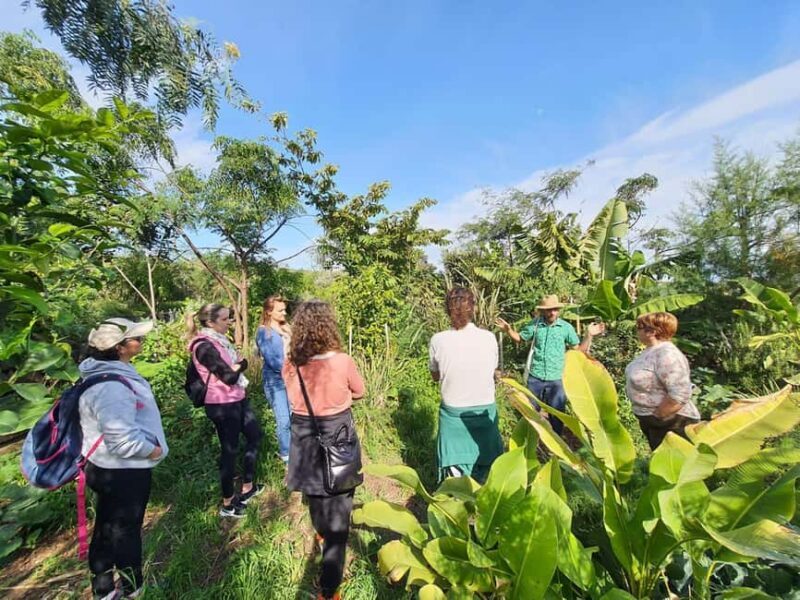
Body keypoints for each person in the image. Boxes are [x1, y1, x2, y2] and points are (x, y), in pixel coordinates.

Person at [79, 318, 168, 599]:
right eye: (136, 339)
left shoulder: (105, 373)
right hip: (123, 469)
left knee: (107, 523)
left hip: (106, 466)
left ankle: (103, 588)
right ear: (119, 348)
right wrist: (153, 450)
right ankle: (132, 588)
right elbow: (121, 438)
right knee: (126, 530)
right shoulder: (111, 386)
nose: (141, 342)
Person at [282, 300, 364, 600]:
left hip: (303, 435)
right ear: (329, 326)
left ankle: (319, 533)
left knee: (315, 496)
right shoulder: (342, 361)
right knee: (340, 515)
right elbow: (360, 391)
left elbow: (291, 396)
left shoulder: (292, 362)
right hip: (337, 434)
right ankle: (329, 590)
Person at [186, 304, 263, 518]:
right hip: (221, 404)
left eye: (230, 318)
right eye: (225, 319)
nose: (230, 322)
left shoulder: (221, 341)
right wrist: (240, 365)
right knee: (229, 451)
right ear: (210, 322)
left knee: (255, 435)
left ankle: (247, 487)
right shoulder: (203, 347)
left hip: (238, 397)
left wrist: (239, 365)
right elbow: (229, 375)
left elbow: (236, 367)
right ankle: (228, 503)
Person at [496, 294, 604, 435]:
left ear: (558, 310)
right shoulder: (535, 325)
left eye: (555, 309)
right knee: (530, 413)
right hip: (535, 377)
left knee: (557, 415)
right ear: (542, 311)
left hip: (557, 378)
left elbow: (579, 352)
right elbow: (520, 338)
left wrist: (589, 335)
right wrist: (508, 330)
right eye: (548, 310)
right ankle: (530, 442)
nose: (552, 312)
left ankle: (557, 447)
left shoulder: (565, 328)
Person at [429, 288, 503, 483]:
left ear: (448, 310)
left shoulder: (438, 340)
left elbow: (435, 375)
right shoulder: (488, 338)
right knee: (487, 471)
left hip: (453, 415)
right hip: (484, 412)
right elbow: (492, 369)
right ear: (474, 309)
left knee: (455, 482)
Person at [625, 311, 701, 450]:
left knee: (674, 468)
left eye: (639, 327)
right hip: (655, 422)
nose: (637, 331)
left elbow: (680, 393)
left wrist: (659, 415)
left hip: (672, 422)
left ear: (651, 332)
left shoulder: (667, 354)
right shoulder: (651, 351)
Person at [255, 295, 292, 464]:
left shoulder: (287, 328)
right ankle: (287, 458)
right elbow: (273, 361)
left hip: (292, 378)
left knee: (295, 417)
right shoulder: (264, 332)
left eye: (285, 309)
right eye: (280, 310)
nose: (284, 312)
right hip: (276, 381)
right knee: (284, 419)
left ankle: (299, 454)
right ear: (269, 312)